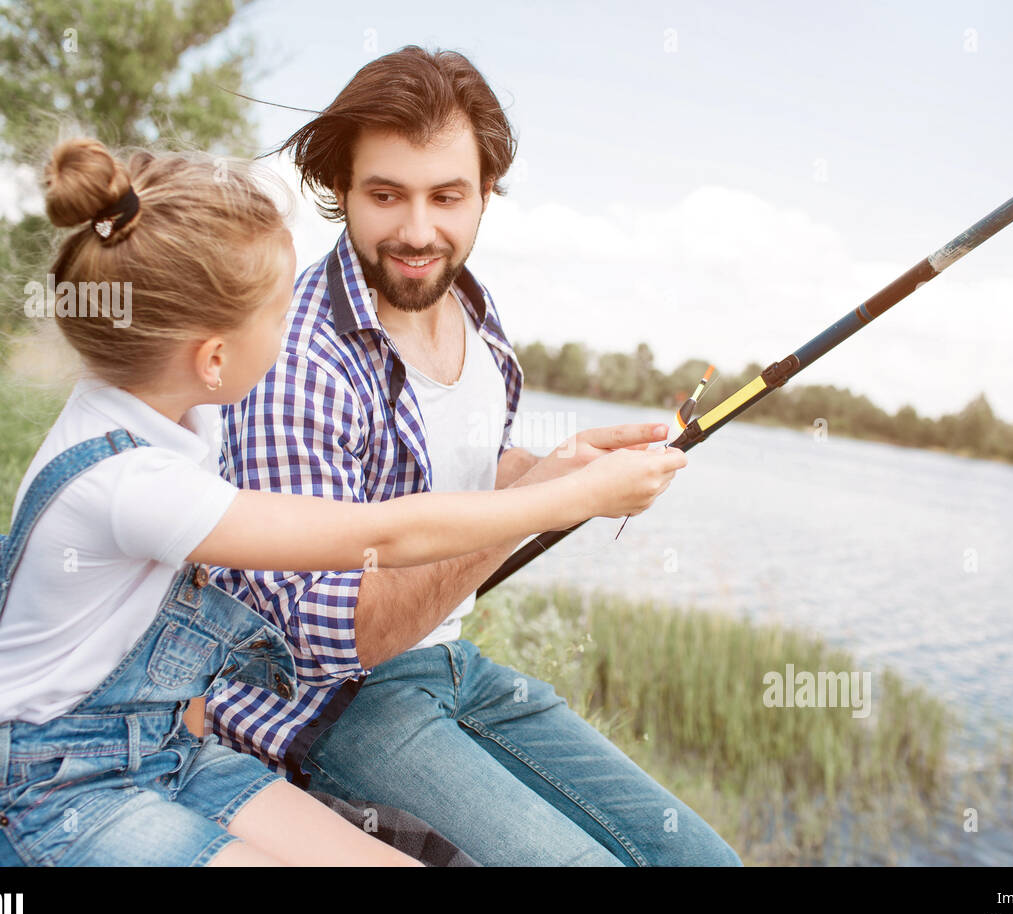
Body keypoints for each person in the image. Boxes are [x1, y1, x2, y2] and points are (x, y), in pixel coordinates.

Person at [0, 136, 687, 867]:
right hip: (50, 789)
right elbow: (384, 537)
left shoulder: (173, 406)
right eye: (279, 310)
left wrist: (553, 468)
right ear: (215, 357)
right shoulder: (131, 483)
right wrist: (566, 499)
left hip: (172, 752)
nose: (298, 323)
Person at [208, 46, 743, 866]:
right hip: (337, 703)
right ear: (341, 190)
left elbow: (461, 479)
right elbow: (328, 642)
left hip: (456, 668)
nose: (418, 231)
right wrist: (552, 503)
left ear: (485, 194)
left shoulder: (476, 315)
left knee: (702, 860)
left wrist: (561, 468)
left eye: (447, 196)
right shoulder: (299, 359)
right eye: (385, 195)